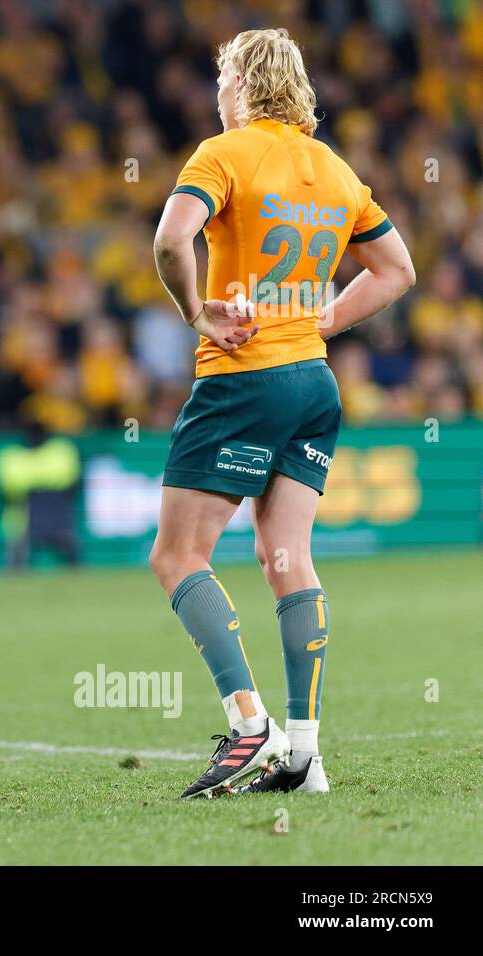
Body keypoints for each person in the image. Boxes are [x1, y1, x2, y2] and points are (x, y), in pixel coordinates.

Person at [150, 30, 415, 798]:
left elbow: (171, 241)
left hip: (244, 377)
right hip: (314, 382)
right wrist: (324, 320)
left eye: (222, 73)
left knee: (177, 557)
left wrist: (196, 312)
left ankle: (248, 724)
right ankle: (305, 756)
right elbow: (397, 270)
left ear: (242, 81)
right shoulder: (335, 170)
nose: (217, 88)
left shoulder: (224, 153)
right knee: (287, 558)